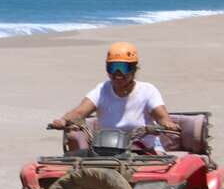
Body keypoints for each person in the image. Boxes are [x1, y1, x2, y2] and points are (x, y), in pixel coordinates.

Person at [51, 41, 179, 152]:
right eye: (112, 67)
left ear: (134, 69)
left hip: (144, 148)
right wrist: (63, 120)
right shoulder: (101, 90)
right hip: (108, 148)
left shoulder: (148, 90)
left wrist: (167, 124)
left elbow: (162, 117)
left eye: (123, 68)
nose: (118, 73)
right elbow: (79, 112)